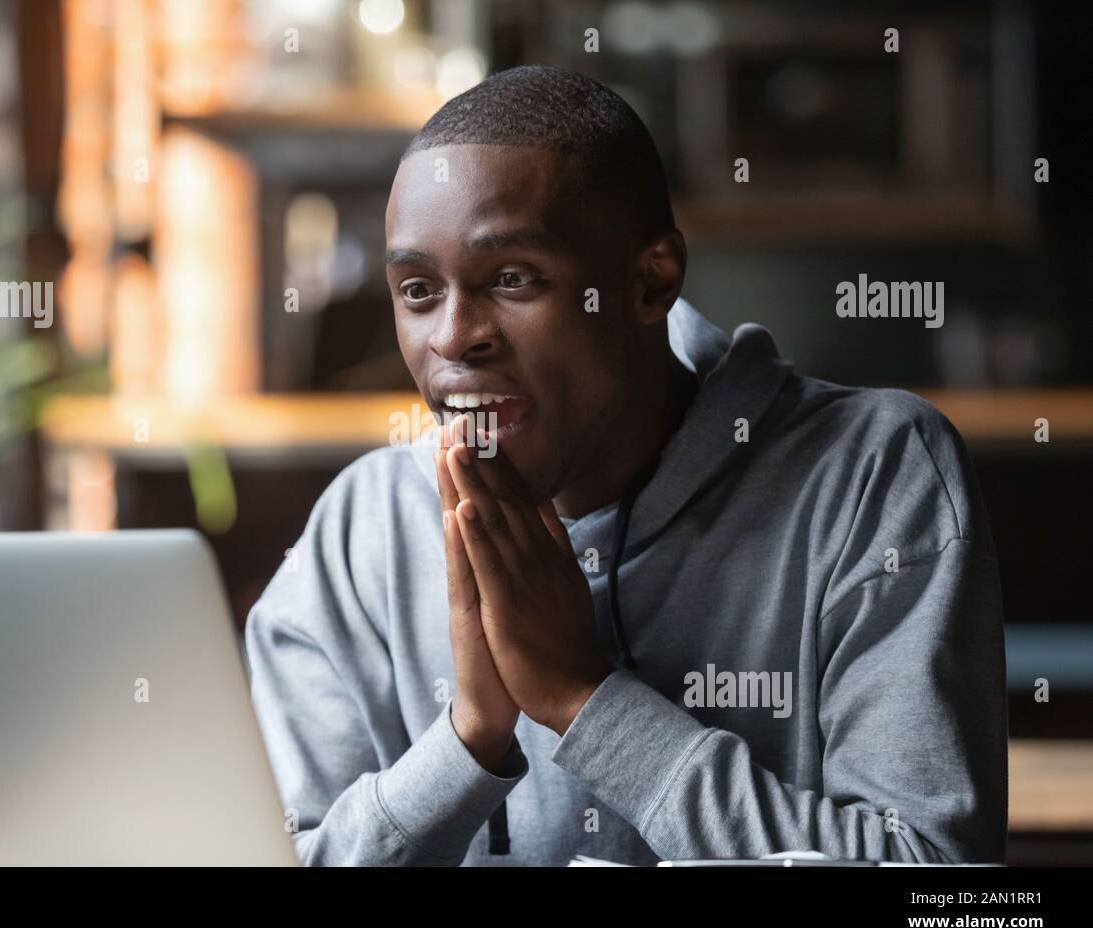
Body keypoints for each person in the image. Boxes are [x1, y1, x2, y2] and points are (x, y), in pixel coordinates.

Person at [244, 65, 1008, 866]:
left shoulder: (870, 476)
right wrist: (468, 738)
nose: (453, 337)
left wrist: (584, 700)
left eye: (512, 279)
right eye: (418, 290)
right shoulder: (361, 528)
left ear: (652, 281)